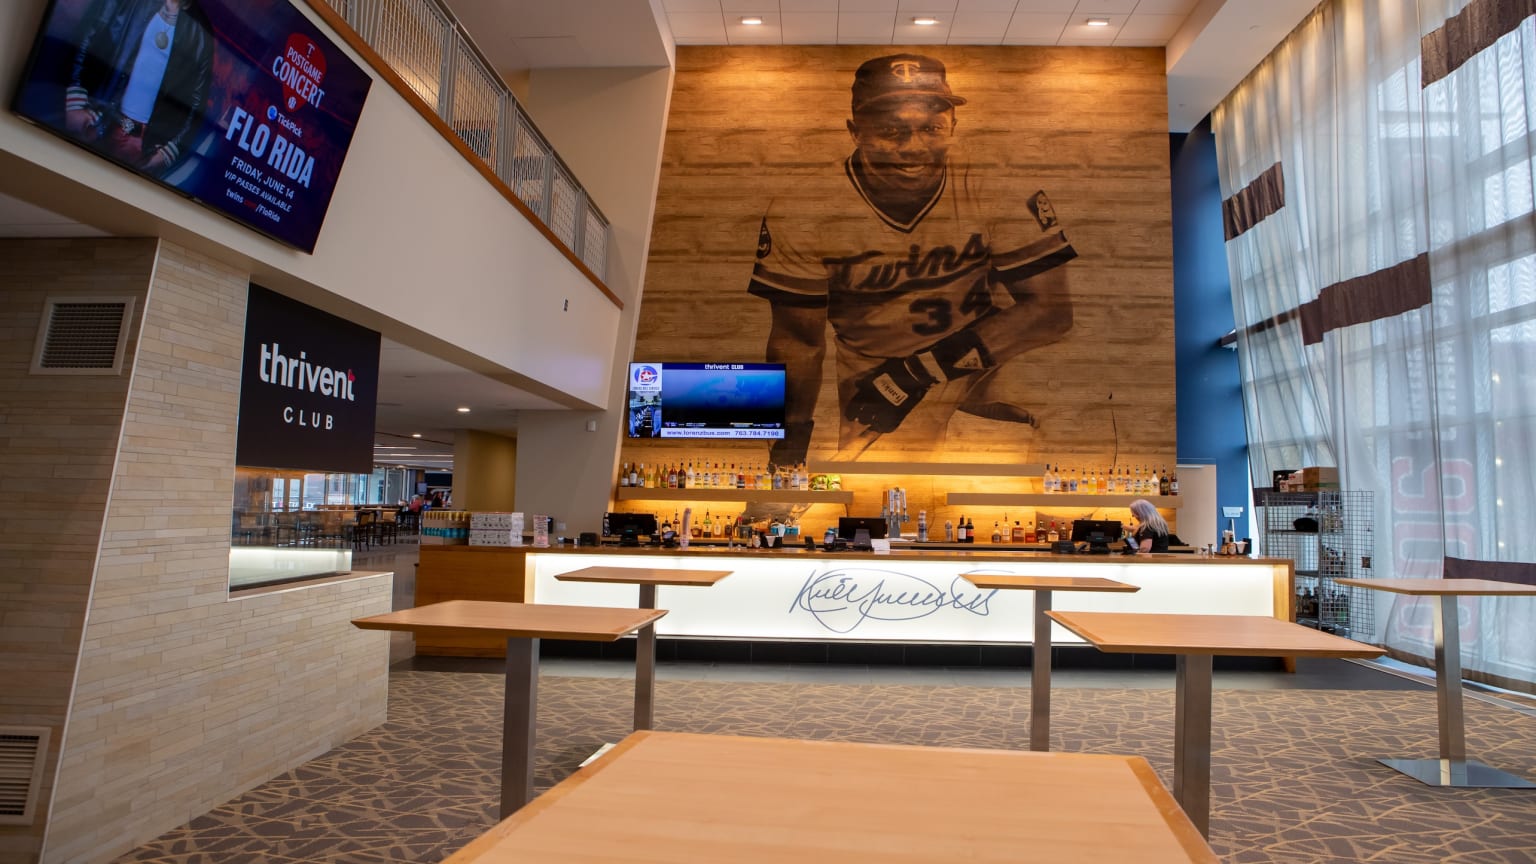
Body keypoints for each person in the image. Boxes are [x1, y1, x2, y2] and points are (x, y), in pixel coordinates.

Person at [750, 53, 1077, 464]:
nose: (914, 146)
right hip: (875, 373)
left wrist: (920, 371)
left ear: (953, 126)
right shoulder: (806, 209)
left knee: (1085, 389)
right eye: (891, 131)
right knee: (883, 502)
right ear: (856, 132)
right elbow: (798, 341)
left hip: (983, 354)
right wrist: (789, 446)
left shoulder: (996, 186)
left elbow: (1050, 311)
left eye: (931, 128)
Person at [63, 0, 214, 175]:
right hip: (96, 117)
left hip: (141, 143)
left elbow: (196, 102)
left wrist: (168, 152)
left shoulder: (201, 29)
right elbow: (89, 34)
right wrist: (75, 101)